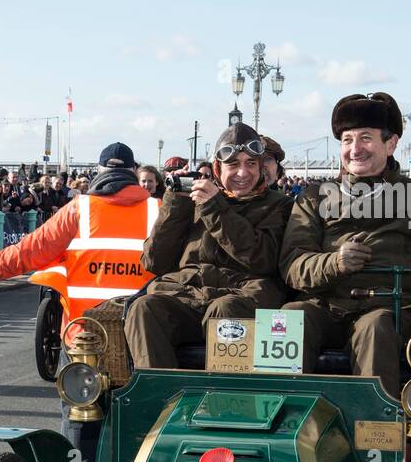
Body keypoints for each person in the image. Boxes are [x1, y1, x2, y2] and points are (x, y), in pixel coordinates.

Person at [0, 143, 155, 462]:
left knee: (79, 425)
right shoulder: (159, 212)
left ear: (100, 173)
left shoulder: (79, 210)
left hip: (84, 342)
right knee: (141, 427)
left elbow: (27, 253)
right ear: (134, 174)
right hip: (140, 339)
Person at [280, 92, 411, 396]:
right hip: (324, 306)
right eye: (346, 140)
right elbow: (292, 265)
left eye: (365, 138)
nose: (355, 149)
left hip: (390, 310)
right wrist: (335, 263)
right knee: (287, 319)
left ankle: (374, 435)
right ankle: (279, 423)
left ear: (390, 144)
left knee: (375, 326)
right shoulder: (313, 198)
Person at [124, 124, 291, 368]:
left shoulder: (279, 206)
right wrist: (176, 204)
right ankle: (161, 399)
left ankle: (225, 401)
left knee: (226, 311)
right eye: (233, 165)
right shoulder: (196, 200)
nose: (243, 173)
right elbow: (154, 262)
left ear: (260, 167)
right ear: (217, 168)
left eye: (251, 164)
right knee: (144, 308)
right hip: (189, 293)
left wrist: (215, 208)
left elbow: (262, 258)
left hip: (243, 296)